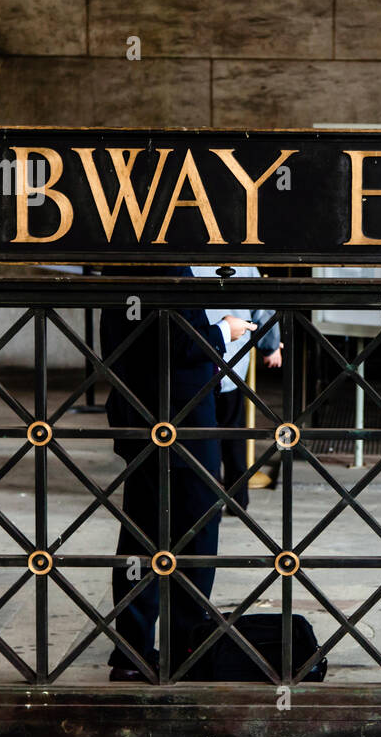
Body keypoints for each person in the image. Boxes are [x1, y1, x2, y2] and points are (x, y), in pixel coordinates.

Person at [100, 265, 259, 682]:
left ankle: (134, 653)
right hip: (178, 420)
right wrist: (225, 329)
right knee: (196, 533)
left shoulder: (123, 256)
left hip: (149, 415)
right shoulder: (163, 261)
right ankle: (186, 648)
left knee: (143, 533)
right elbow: (180, 342)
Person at [190, 266, 282, 514]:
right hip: (232, 362)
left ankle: (205, 496)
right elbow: (260, 307)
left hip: (196, 365)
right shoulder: (242, 262)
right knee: (233, 434)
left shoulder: (185, 261)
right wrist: (270, 346)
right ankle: (238, 499)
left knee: (198, 436)